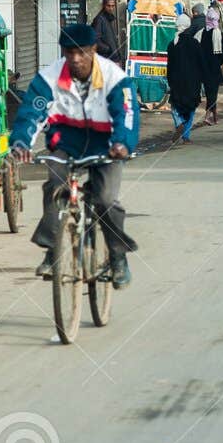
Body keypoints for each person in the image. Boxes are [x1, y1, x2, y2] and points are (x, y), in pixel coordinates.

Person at [9, 24, 138, 287]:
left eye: (81, 52)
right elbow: (31, 114)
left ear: (93, 50)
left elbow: (126, 114)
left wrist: (122, 144)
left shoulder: (114, 77)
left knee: (106, 200)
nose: (75, 59)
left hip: (106, 145)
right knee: (56, 187)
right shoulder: (48, 78)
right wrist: (21, 143)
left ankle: (117, 257)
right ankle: (52, 251)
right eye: (69, 53)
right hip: (66, 142)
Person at [167, 5, 211, 142]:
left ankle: (179, 122)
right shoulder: (195, 43)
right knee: (190, 108)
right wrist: (205, 79)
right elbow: (202, 63)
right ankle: (186, 136)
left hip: (177, 81)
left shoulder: (172, 44)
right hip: (193, 82)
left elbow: (170, 65)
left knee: (175, 105)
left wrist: (170, 80)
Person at [91, 0, 127, 65]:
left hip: (113, 58)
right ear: (104, 6)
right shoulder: (99, 19)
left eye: (113, 6)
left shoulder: (109, 19)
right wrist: (108, 49)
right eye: (108, 6)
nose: (111, 8)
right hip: (107, 58)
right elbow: (95, 40)